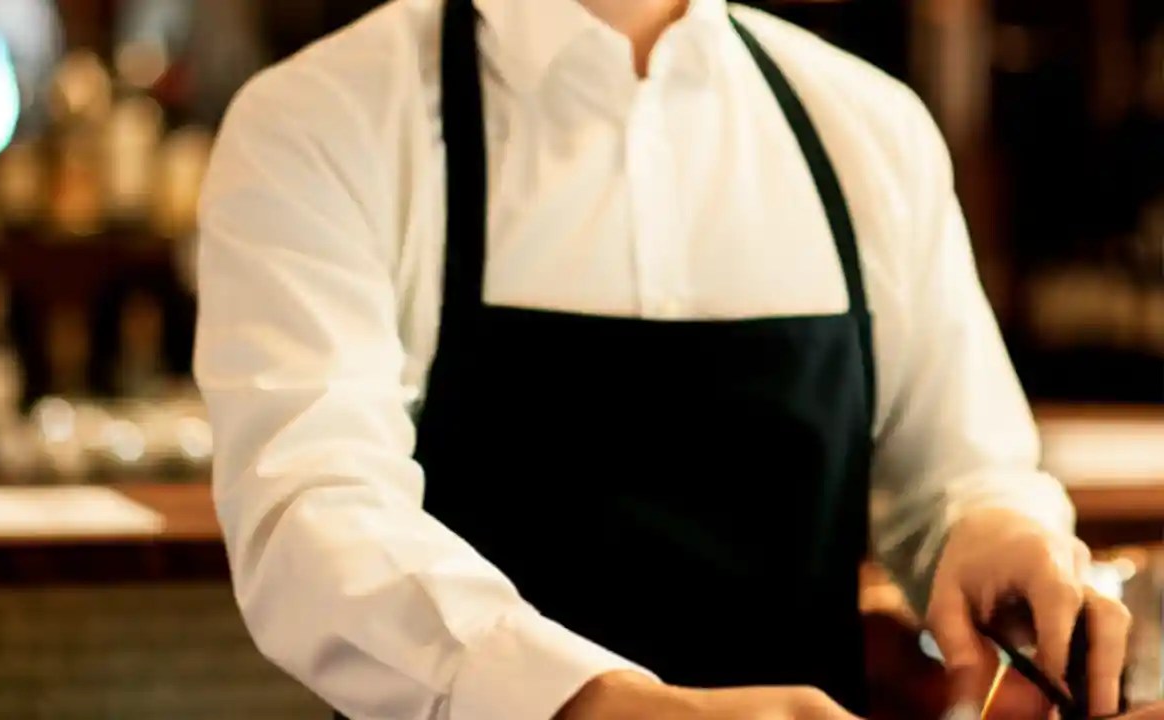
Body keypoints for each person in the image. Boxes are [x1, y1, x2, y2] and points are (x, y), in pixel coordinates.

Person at [193, 0, 1138, 718]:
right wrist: (600, 703)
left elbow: (962, 481)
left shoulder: (868, 127)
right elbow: (309, 514)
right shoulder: (324, 121)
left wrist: (994, 535)